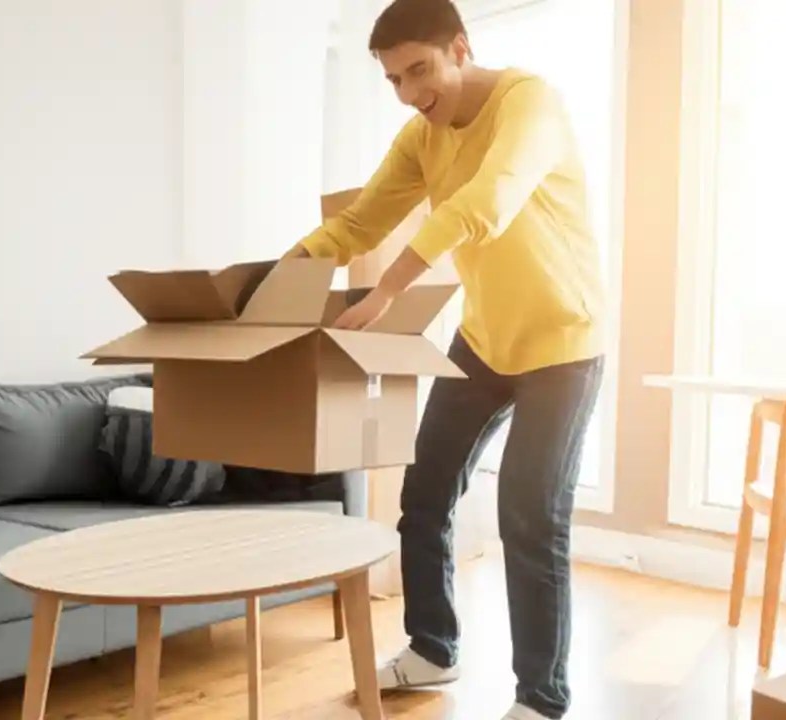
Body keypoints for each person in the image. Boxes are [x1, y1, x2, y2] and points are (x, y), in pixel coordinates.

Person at [285, 1, 605, 718]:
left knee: (530, 515)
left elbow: (487, 202)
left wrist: (390, 288)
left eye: (419, 71)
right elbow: (361, 219)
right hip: (487, 338)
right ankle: (433, 650)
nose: (408, 93)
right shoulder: (419, 135)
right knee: (424, 493)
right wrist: (280, 272)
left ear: (460, 48)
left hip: (564, 342)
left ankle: (541, 699)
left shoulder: (532, 103)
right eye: (394, 79)